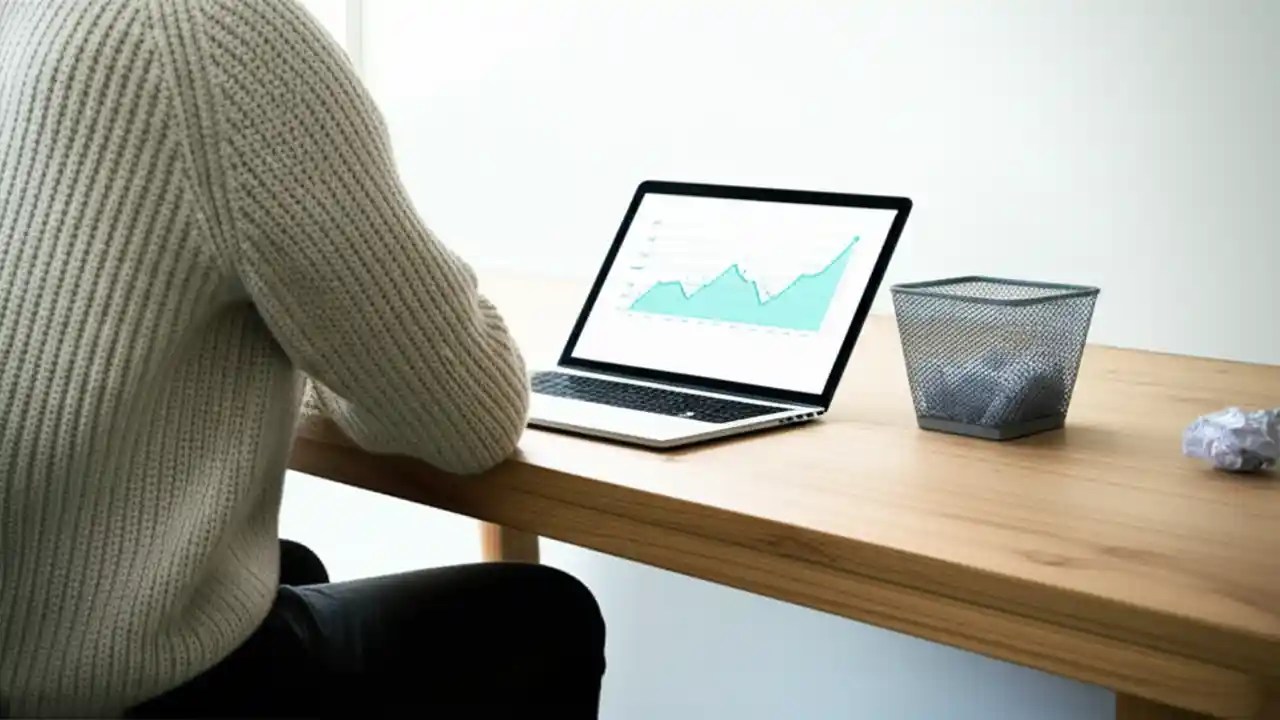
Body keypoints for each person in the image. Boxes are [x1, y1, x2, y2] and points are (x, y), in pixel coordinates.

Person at [0, 0, 605, 717]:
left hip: (31, 631)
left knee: (286, 568)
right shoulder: (212, 29)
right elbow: (469, 414)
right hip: (86, 683)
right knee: (544, 618)